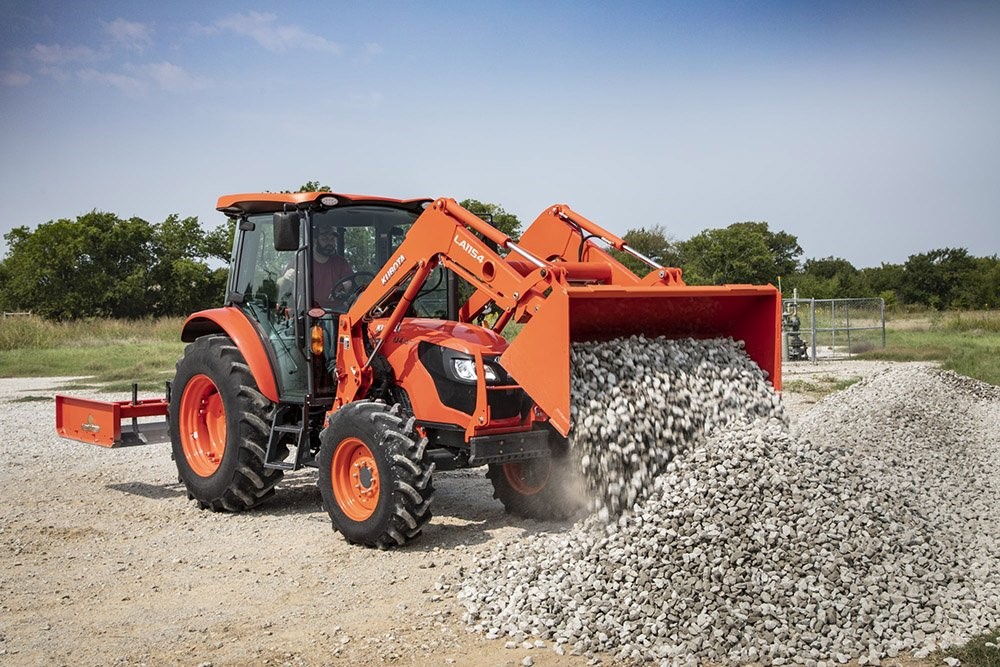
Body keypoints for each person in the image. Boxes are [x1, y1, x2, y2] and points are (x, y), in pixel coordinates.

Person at [278, 224, 353, 309]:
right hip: (308, 314)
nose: (330, 243)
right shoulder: (301, 261)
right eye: (325, 239)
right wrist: (285, 278)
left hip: (337, 313)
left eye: (332, 239)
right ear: (314, 241)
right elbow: (280, 286)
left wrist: (347, 285)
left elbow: (350, 283)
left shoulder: (341, 263)